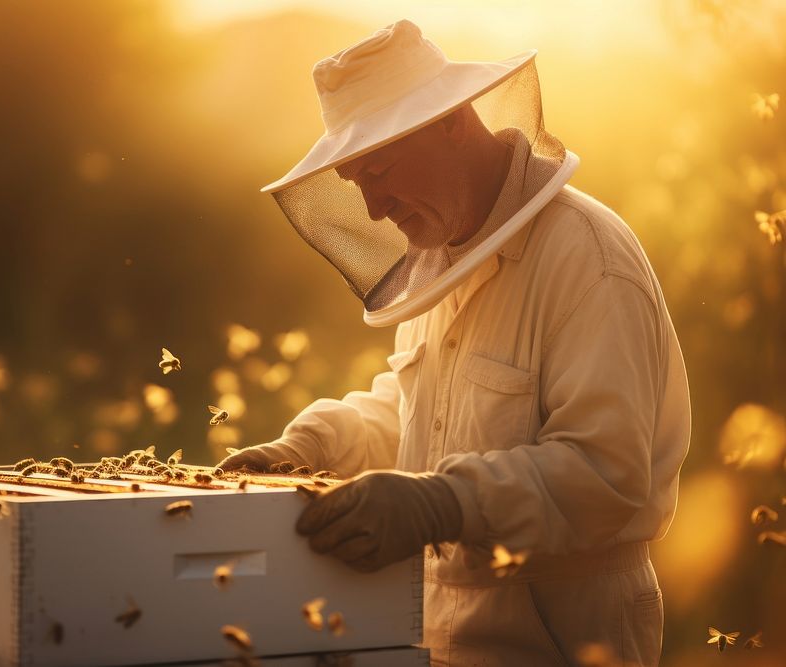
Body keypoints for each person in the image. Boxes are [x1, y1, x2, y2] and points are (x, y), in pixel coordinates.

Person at [220, 19, 690, 667]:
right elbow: (419, 412)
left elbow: (603, 473)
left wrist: (440, 500)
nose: (376, 208)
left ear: (452, 121)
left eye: (380, 169)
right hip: (437, 624)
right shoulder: (442, 253)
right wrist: (313, 445)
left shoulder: (587, 258)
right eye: (358, 182)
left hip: (564, 631)